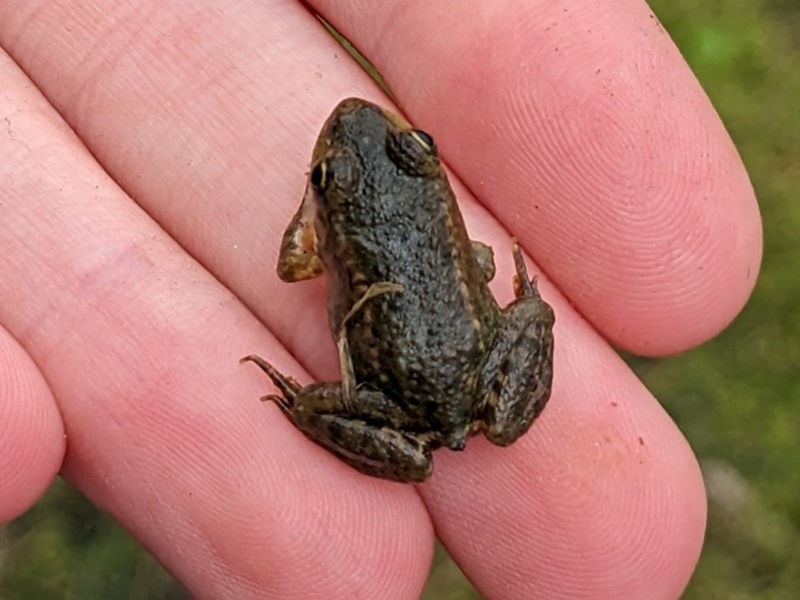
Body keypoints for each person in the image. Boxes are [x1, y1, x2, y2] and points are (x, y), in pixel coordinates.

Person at [0, 2, 762, 598]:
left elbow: (294, 265)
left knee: (410, 406)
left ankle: (306, 408)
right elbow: (483, 257)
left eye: (412, 148)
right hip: (456, 374)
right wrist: (509, 299)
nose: (372, 127)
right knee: (524, 322)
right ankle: (349, 396)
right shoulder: (427, 210)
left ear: (427, 166)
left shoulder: (337, 234)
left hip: (413, 394)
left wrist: (316, 207)